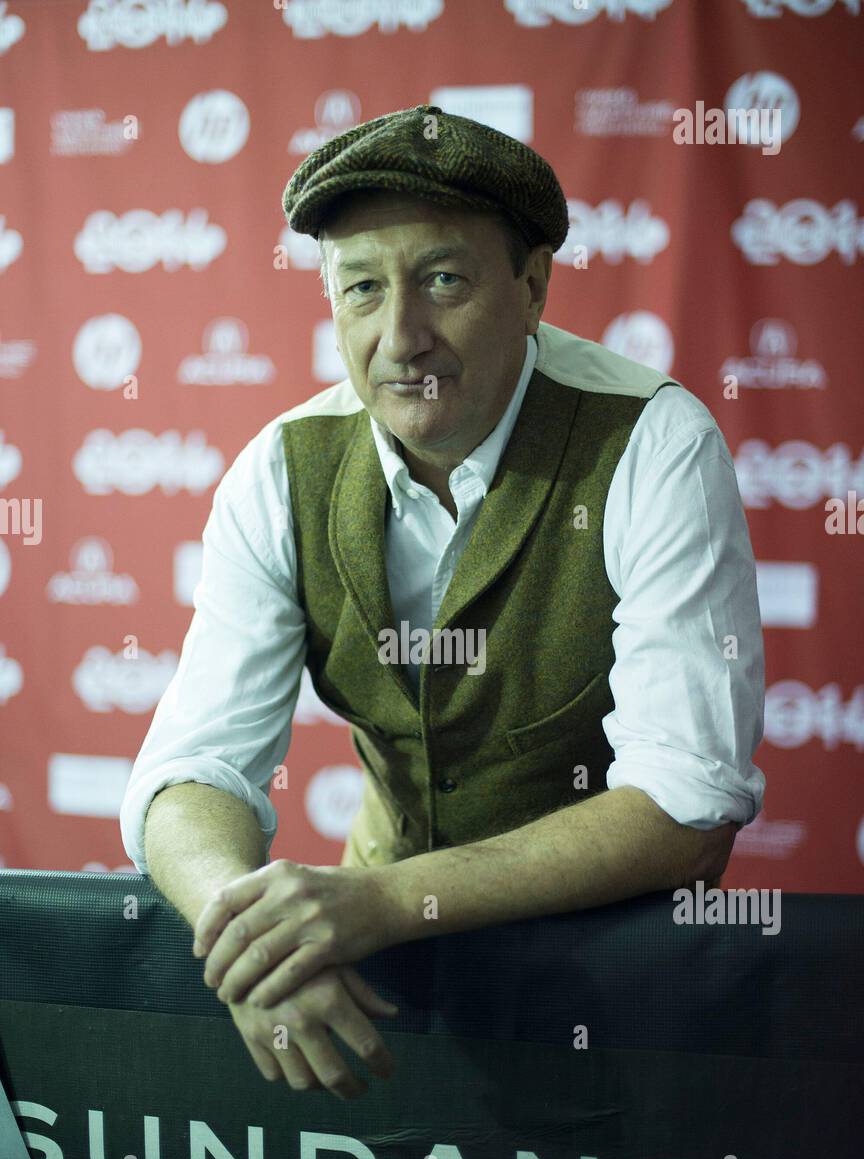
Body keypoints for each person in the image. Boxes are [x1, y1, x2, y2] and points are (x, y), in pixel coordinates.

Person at [119, 104, 765, 1101]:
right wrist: (244, 934)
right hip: (382, 970)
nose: (401, 337)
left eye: (445, 280)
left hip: (612, 972)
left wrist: (380, 902)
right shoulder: (279, 471)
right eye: (363, 289)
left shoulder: (654, 444)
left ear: (532, 287)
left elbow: (686, 809)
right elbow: (191, 770)